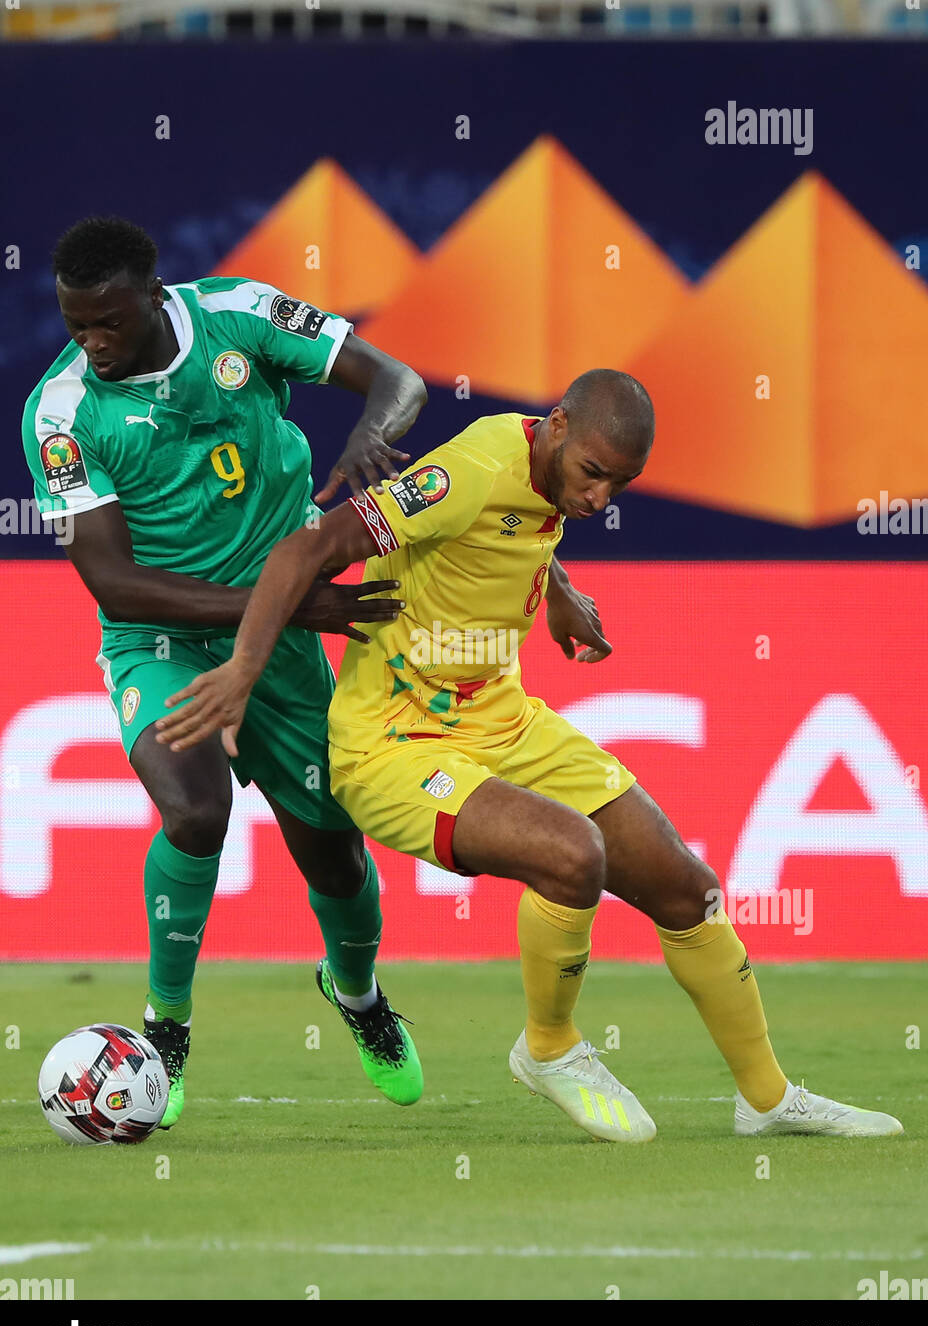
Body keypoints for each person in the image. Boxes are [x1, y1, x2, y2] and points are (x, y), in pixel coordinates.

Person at [153, 369, 903, 1142]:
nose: (600, 500)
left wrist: (560, 590)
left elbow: (518, 528)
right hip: (393, 744)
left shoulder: (550, 466)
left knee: (690, 890)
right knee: (572, 856)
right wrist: (244, 669)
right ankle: (548, 1049)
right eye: (594, 475)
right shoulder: (465, 475)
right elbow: (304, 549)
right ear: (557, 425)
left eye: (621, 484)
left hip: (505, 721)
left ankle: (767, 1098)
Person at [22, 216, 428, 1129]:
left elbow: (398, 382)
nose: (92, 344)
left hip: (282, 640)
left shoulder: (242, 316)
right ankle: (165, 1028)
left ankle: (358, 997)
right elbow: (113, 581)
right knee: (197, 811)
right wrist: (277, 607)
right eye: (75, 326)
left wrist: (371, 437)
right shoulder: (61, 413)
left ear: (154, 300)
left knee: (332, 840)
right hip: (160, 638)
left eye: (109, 325)